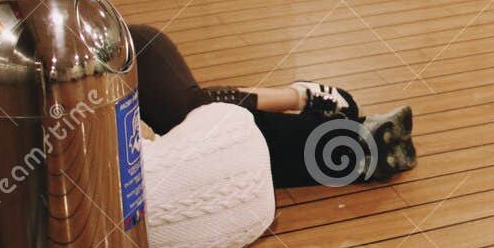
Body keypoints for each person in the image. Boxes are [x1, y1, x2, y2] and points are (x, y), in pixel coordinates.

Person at [128, 24, 415, 187]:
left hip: (129, 52)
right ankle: (354, 144)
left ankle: (301, 98)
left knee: (192, 115)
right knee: (204, 147)